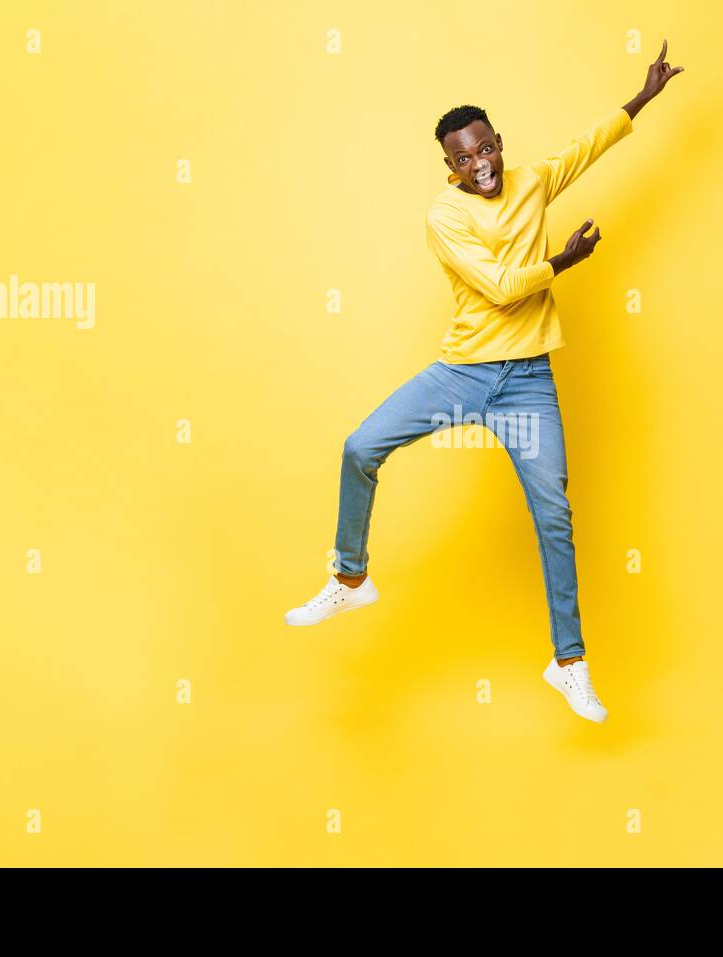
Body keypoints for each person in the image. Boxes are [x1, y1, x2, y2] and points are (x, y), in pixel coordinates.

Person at [286, 41, 685, 723]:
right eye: (463, 160)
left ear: (499, 141)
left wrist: (643, 95)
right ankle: (349, 576)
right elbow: (502, 289)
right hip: (462, 374)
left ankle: (569, 663)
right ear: (449, 167)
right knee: (360, 447)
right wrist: (562, 262)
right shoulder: (445, 216)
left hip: (527, 380)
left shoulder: (532, 181)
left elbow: (586, 147)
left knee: (554, 516)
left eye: (485, 150)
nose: (480, 167)